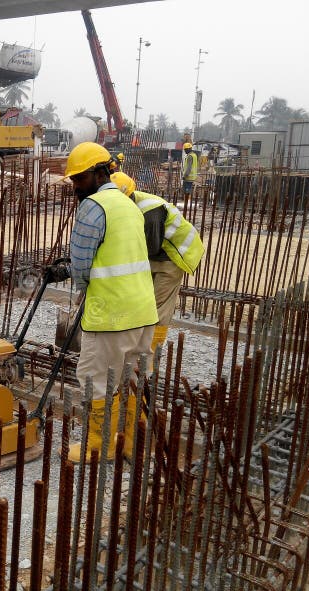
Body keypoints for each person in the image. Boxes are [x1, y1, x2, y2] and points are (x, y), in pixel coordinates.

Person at [59, 142, 158, 462]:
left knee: (95, 377)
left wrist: (83, 288)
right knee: (133, 376)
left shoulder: (94, 206)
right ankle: (132, 443)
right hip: (143, 311)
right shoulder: (129, 204)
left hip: (111, 314)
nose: (75, 187)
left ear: (97, 173)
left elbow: (81, 262)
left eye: (79, 179)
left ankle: (97, 447)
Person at [111, 171, 205, 351]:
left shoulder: (150, 214)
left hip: (173, 255)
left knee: (157, 307)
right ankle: (138, 350)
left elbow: (150, 249)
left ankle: (150, 357)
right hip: (156, 255)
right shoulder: (130, 205)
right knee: (143, 302)